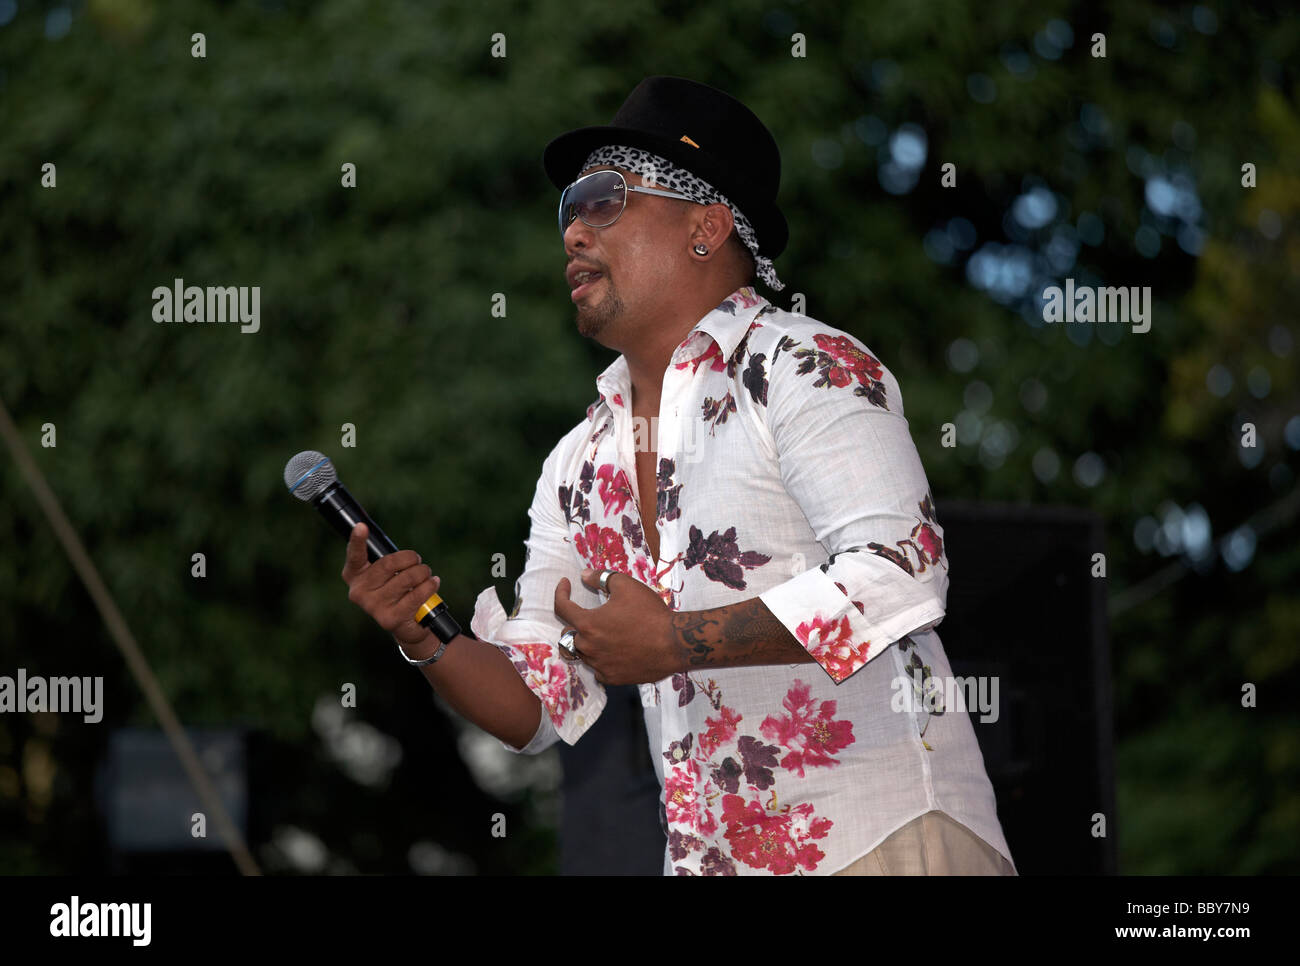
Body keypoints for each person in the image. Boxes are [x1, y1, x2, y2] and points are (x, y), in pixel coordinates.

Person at [342, 75, 1015, 876]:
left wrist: (675, 641)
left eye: (603, 199)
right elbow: (536, 706)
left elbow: (902, 575)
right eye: (569, 209)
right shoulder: (575, 464)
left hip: (882, 841)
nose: (573, 232)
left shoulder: (803, 366)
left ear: (706, 225)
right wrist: (423, 633)